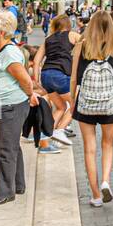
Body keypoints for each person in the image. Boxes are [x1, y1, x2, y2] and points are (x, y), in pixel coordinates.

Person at [0, 11, 37, 206]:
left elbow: (26, 80)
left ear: (1, 32)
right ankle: (18, 184)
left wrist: (30, 95)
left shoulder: (10, 53)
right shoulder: (2, 51)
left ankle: (5, 191)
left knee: (4, 149)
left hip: (10, 106)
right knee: (12, 145)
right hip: (1, 104)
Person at [69, 14, 113, 207]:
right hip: (110, 105)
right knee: (107, 145)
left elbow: (74, 79)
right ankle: (105, 181)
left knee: (89, 150)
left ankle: (95, 195)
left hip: (86, 104)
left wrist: (71, 101)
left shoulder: (81, 47)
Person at [33, 15, 79, 146]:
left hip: (46, 75)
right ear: (68, 24)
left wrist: (37, 80)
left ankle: (45, 135)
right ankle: (60, 130)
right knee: (76, 106)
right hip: (62, 75)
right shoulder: (73, 35)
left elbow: (36, 61)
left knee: (61, 107)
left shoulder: (48, 39)